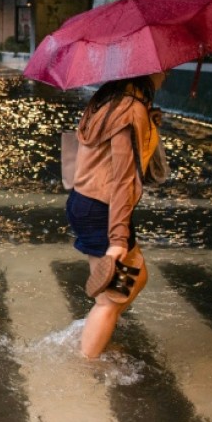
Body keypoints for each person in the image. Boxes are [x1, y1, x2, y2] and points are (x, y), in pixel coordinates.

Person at [66, 72, 167, 359]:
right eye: (165, 69)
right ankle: (86, 362)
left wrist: (147, 123)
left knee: (137, 277)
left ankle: (94, 333)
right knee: (111, 299)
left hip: (84, 201)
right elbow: (123, 179)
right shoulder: (130, 110)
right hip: (103, 209)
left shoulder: (108, 97)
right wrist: (118, 239)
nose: (167, 73)